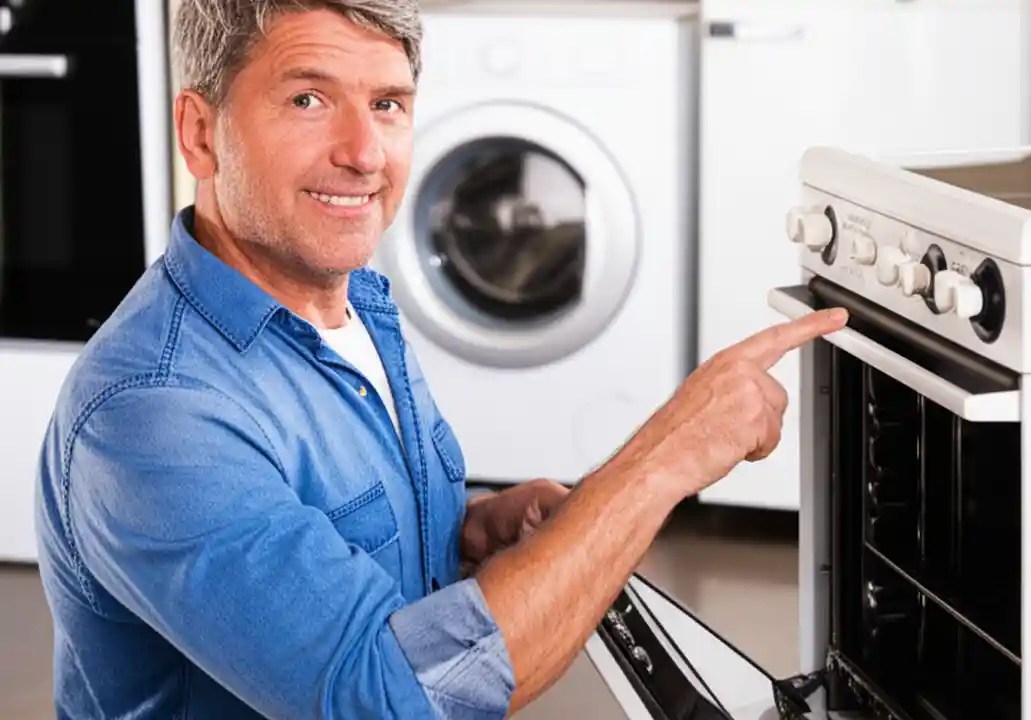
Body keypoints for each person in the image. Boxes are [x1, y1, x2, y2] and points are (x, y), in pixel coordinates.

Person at [34, 1, 847, 718]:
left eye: (387, 105)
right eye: (308, 99)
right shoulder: (155, 409)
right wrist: (666, 457)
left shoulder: (352, 304)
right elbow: (388, 700)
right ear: (201, 132)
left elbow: (312, 530)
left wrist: (462, 529)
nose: (363, 152)